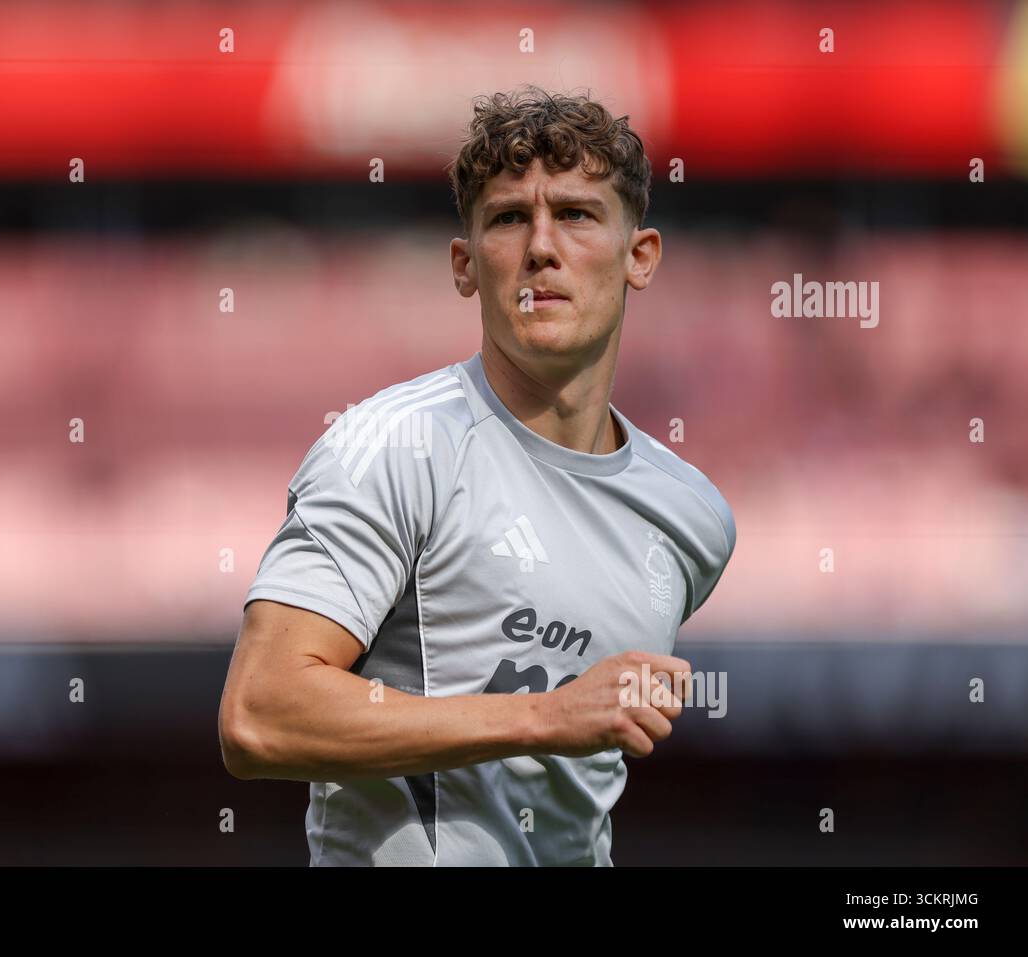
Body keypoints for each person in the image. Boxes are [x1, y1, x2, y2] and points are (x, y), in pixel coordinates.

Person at [219, 86, 736, 866]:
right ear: (465, 265)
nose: (541, 247)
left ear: (641, 256)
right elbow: (259, 714)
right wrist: (543, 715)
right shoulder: (396, 446)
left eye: (576, 214)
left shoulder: (692, 519)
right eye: (506, 219)